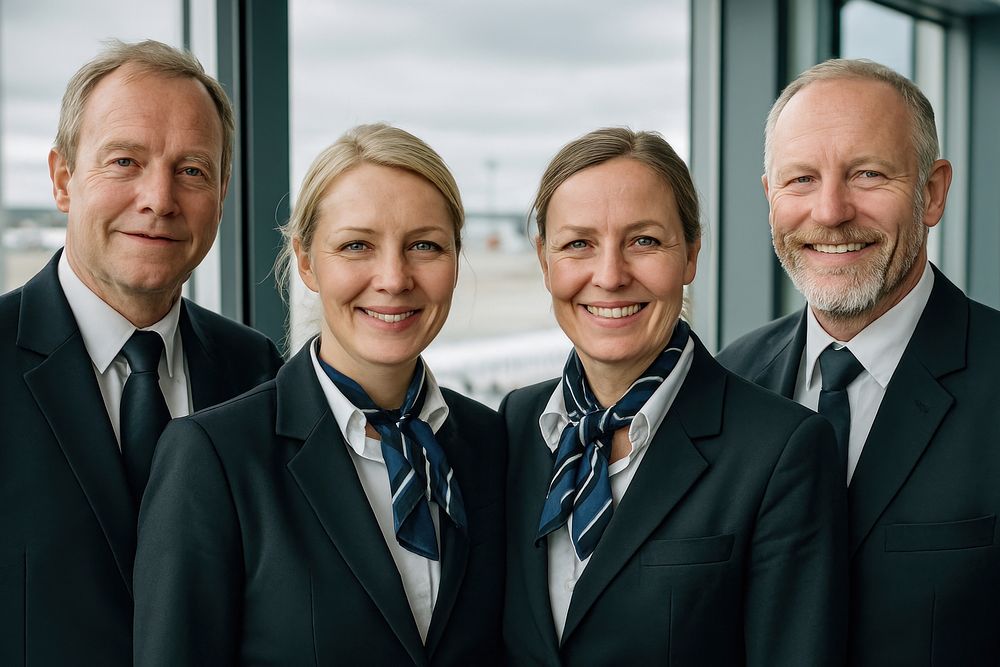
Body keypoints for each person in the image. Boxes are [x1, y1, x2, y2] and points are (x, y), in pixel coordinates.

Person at [134, 123, 505, 666]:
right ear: (306, 262)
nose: (394, 278)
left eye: (424, 246)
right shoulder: (215, 456)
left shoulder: (489, 441)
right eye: (356, 246)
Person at [502, 127, 847, 666]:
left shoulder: (781, 450)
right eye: (578, 244)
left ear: (690, 254)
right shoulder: (516, 424)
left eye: (643, 241)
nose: (610, 276)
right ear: (546, 261)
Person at [0, 40, 282, 666]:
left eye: (192, 170)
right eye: (125, 161)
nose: (159, 198)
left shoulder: (257, 371)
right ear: (63, 179)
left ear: (222, 193)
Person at [718, 58, 1000, 665]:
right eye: (800, 179)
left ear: (932, 193)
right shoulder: (728, 380)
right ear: (770, 199)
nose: (830, 211)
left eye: (867, 174)